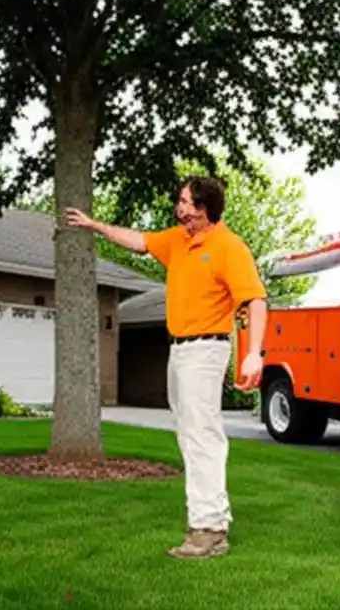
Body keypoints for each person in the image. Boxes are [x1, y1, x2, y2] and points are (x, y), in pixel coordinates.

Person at [66, 175, 267, 559]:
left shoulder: (228, 247)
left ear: (206, 209)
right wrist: (96, 227)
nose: (181, 209)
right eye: (180, 201)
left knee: (201, 437)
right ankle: (211, 521)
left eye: (187, 203)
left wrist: (254, 352)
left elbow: (255, 300)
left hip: (206, 349)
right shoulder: (178, 240)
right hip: (180, 351)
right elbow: (139, 241)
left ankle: (207, 530)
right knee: (190, 436)